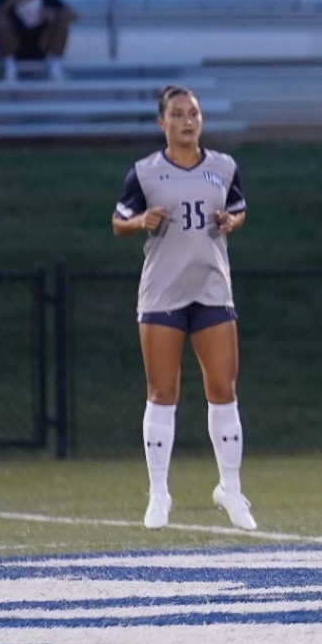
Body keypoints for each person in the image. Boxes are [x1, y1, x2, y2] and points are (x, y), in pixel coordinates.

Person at [110, 85, 257, 532]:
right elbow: (118, 223)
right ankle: (159, 493)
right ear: (163, 123)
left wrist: (231, 221)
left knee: (223, 389)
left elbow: (238, 209)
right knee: (162, 391)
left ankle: (230, 489)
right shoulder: (145, 173)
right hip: (162, 293)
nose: (187, 121)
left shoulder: (223, 166)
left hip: (212, 289)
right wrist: (140, 222)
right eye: (177, 114)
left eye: (193, 113)